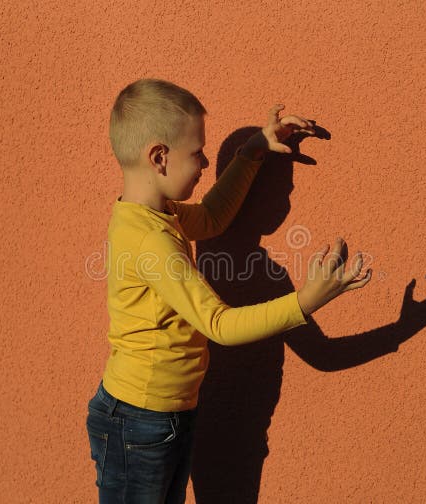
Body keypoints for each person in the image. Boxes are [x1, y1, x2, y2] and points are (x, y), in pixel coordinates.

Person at [85, 78, 372, 503]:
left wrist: (254, 149)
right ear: (160, 157)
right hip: (138, 423)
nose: (203, 164)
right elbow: (219, 324)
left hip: (160, 417)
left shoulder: (158, 215)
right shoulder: (150, 240)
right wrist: (308, 300)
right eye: (197, 153)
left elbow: (214, 216)